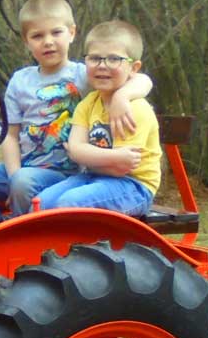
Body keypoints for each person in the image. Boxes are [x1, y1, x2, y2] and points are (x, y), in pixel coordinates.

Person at [0, 0, 152, 230]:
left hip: (66, 174)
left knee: (24, 182)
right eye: (37, 36)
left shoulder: (85, 74)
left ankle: (21, 237)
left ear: (72, 33)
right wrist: (14, 175)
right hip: (23, 169)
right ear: (26, 41)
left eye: (56, 32)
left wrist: (122, 96)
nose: (48, 42)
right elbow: (11, 136)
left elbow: (142, 79)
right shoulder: (20, 81)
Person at [33, 20, 161, 216]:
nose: (102, 66)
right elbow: (77, 150)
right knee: (42, 203)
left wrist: (87, 156)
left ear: (133, 68)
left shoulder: (135, 108)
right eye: (94, 58)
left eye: (114, 59)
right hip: (93, 177)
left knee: (71, 202)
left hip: (134, 186)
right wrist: (104, 157)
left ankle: (74, 238)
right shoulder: (88, 103)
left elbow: (121, 168)